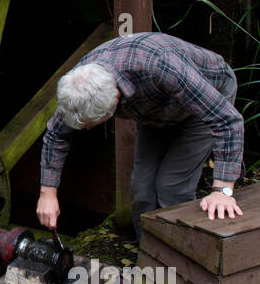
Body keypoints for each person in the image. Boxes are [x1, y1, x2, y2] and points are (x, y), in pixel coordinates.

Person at [36, 32, 243, 241]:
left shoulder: (159, 65)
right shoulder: (78, 88)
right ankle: (150, 257)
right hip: (158, 108)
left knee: (171, 186)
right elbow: (55, 135)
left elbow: (227, 120)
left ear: (114, 103)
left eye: (91, 125)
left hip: (207, 100)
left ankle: (184, 262)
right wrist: (48, 194)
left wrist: (222, 190)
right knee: (141, 189)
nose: (87, 130)